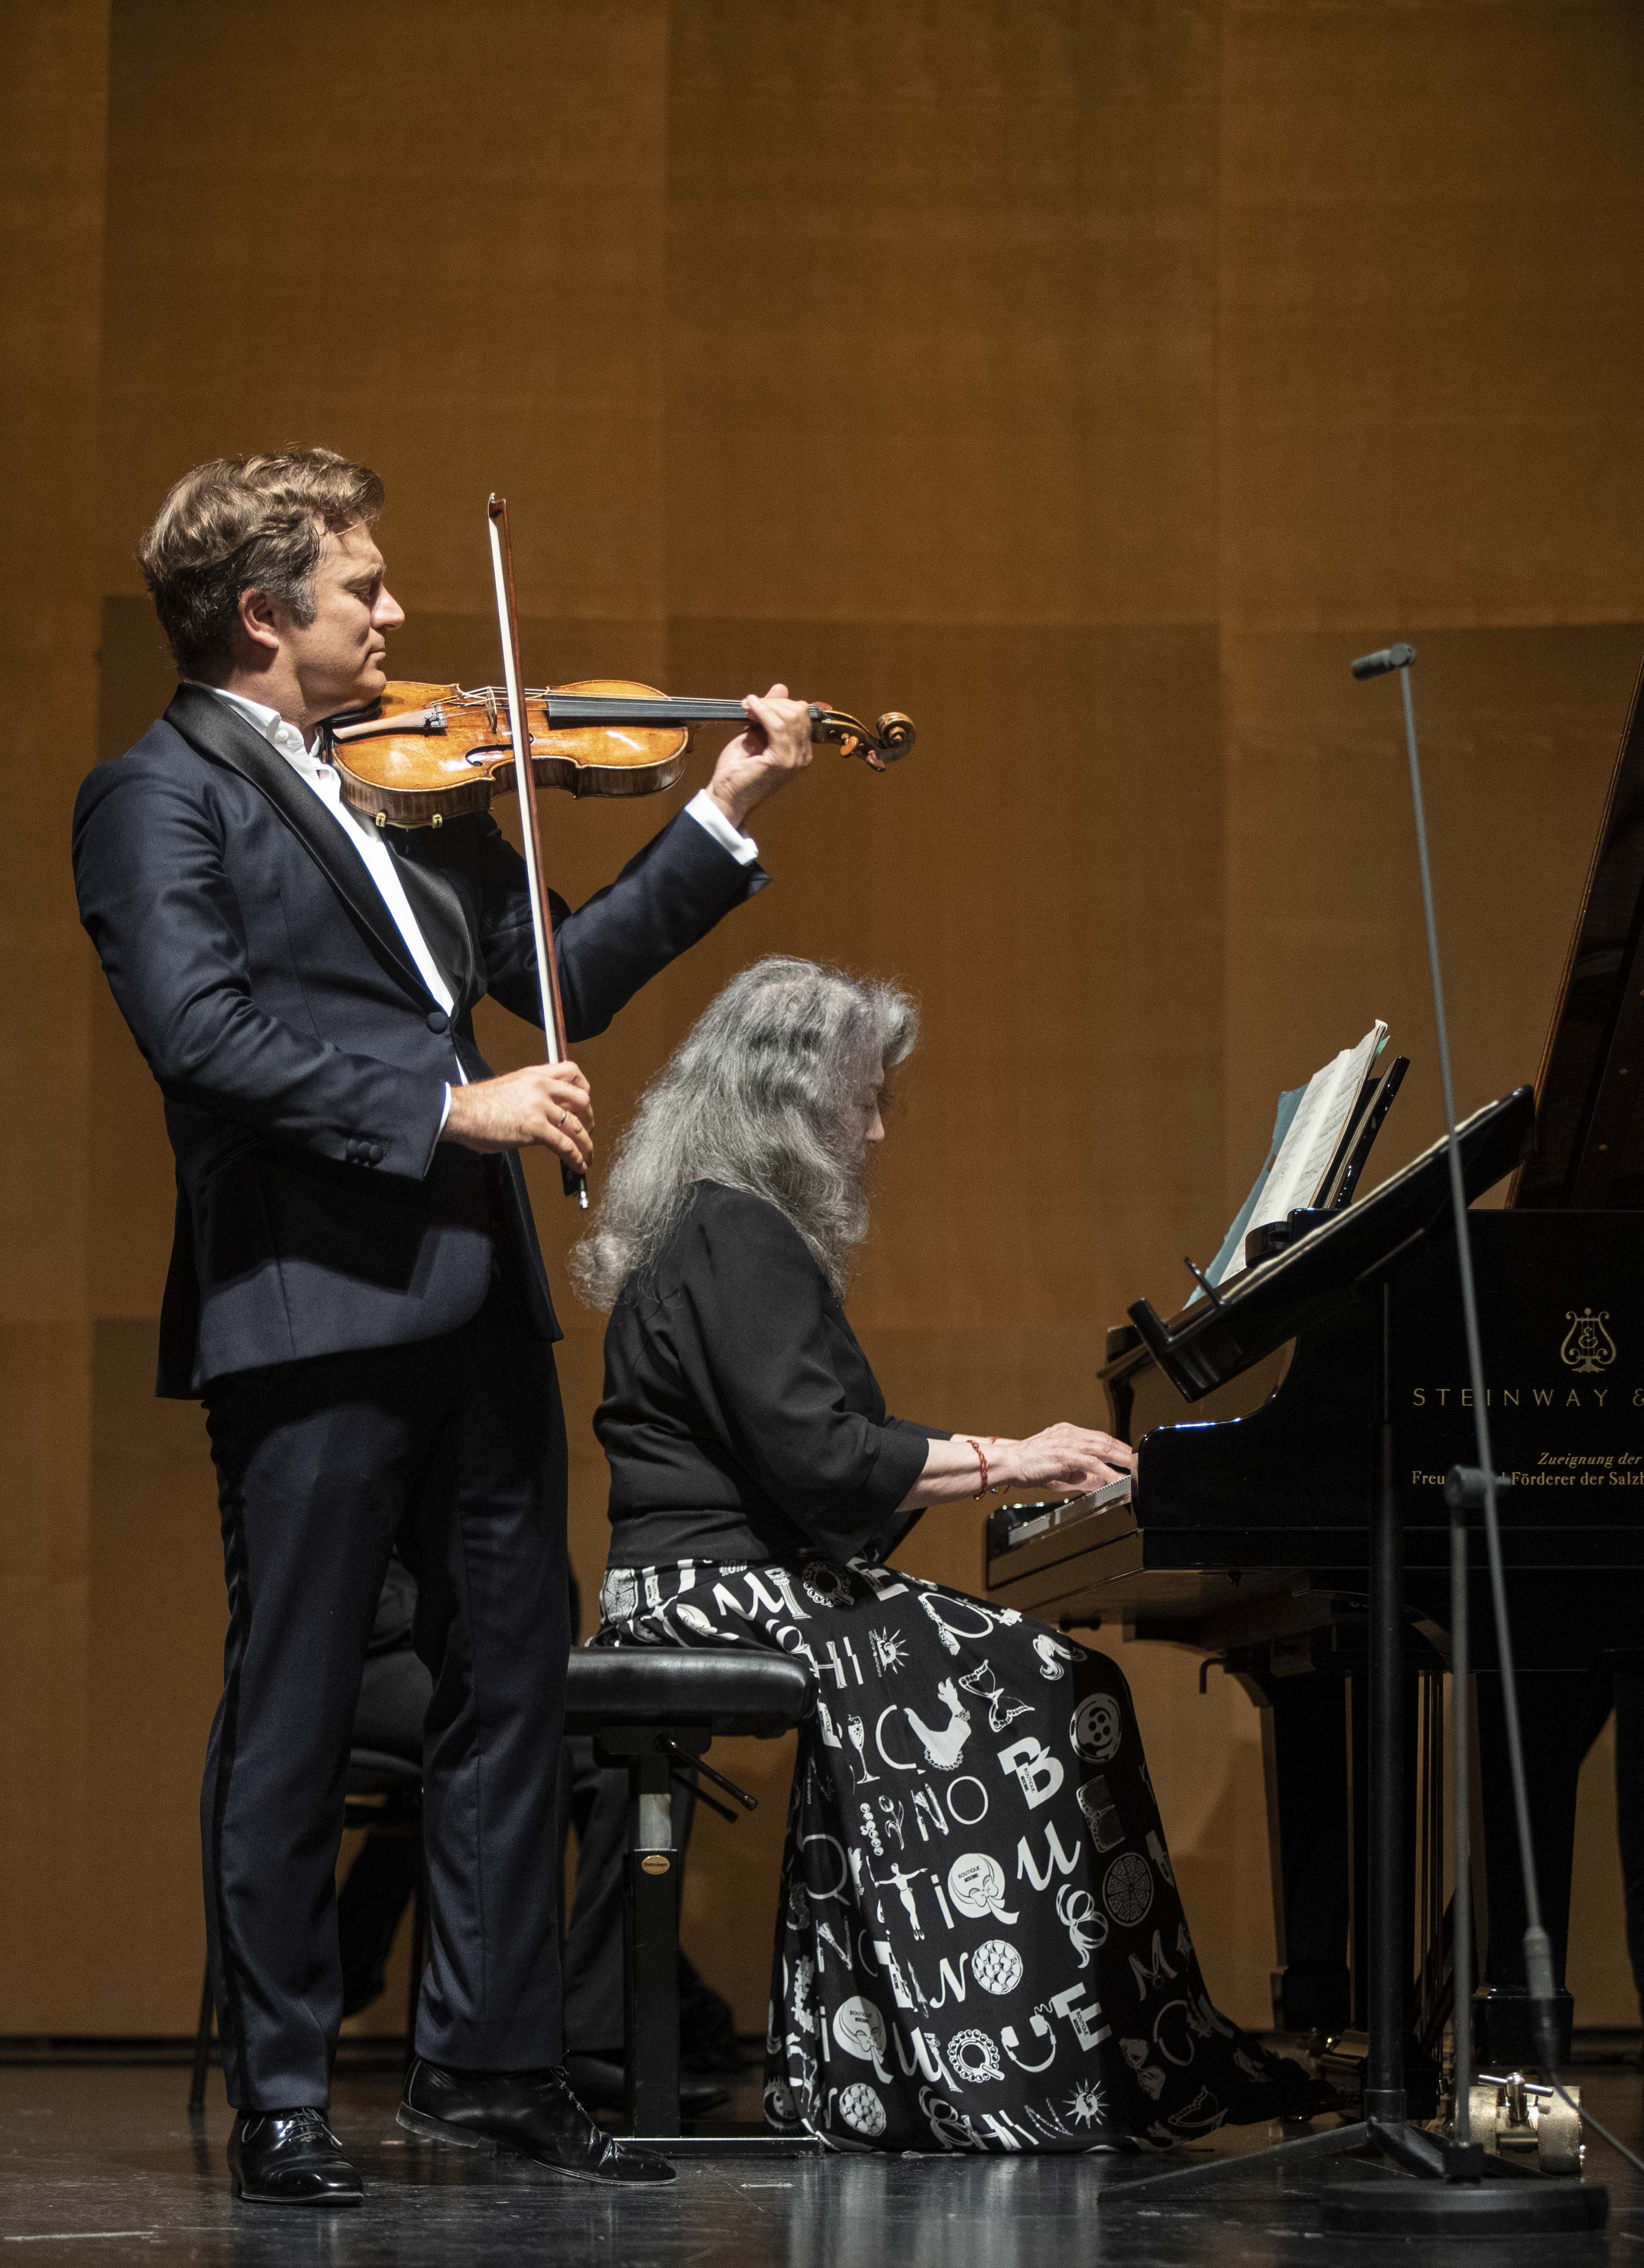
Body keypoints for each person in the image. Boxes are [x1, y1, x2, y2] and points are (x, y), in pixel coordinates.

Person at [72, 450, 814, 2205]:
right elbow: (204, 1034)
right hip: (308, 1307)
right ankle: (283, 2092)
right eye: (366, 590)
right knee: (300, 1702)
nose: (403, 619)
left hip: (474, 1305)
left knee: (510, 1688)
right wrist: (445, 1112)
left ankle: (487, 2065)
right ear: (263, 617)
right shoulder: (155, 795)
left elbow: (559, 973)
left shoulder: (417, 792)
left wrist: (722, 813)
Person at [577, 957, 1324, 2153]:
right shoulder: (738, 1228)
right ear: (789, 1101)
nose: (876, 1125)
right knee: (1040, 1679)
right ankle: (1022, 2069)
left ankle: (1002, 2058)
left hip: (715, 1578)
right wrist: (1014, 1455)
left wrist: (984, 1462)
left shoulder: (717, 1220)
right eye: (859, 1098)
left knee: (1052, 1674)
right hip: (713, 1588)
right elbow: (821, 1458)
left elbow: (819, 1462)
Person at [337, 1555, 739, 2117]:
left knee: (641, 1745)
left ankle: (592, 2035)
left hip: (484, 1650)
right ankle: (512, 2041)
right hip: (374, 1656)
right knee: (516, 1734)